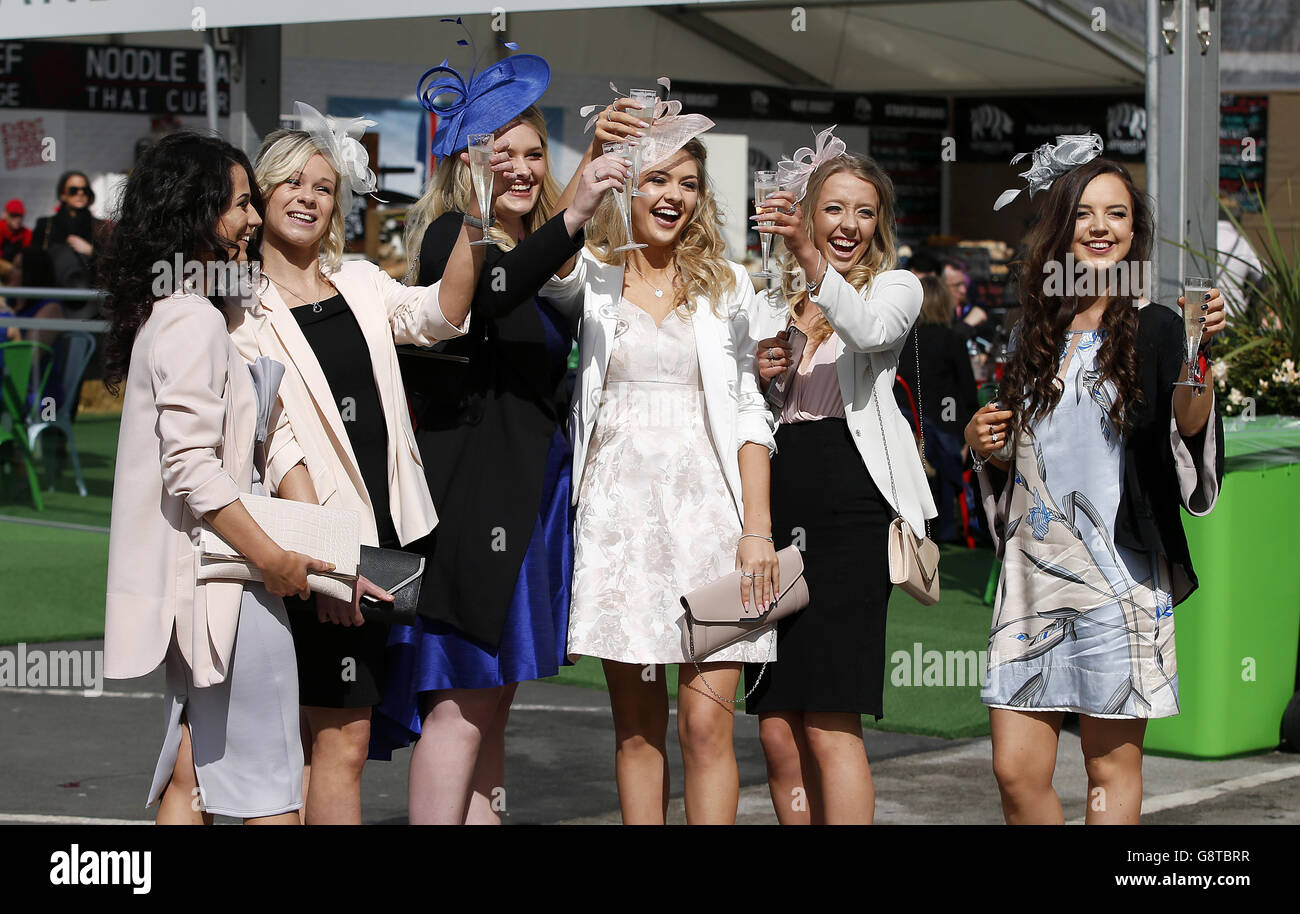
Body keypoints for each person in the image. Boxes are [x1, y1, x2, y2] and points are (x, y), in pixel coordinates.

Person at [371, 51, 630, 824]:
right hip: (472, 508)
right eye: (498, 152)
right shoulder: (457, 234)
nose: (519, 167)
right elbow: (487, 295)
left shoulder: (548, 252)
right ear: (467, 161)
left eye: (530, 152)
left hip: (533, 502)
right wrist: (573, 212)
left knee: (489, 708)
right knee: (459, 704)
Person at [227, 102, 484, 824]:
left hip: (382, 546)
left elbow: (442, 313)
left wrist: (475, 211)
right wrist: (329, 562)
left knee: (339, 740)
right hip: (302, 551)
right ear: (263, 193)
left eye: (324, 186)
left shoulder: (364, 282)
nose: (309, 197)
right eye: (292, 184)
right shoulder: (240, 311)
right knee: (329, 740)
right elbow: (278, 446)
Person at [967, 146, 1225, 825]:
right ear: (1062, 228)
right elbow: (1019, 459)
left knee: (1109, 772)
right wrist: (980, 445)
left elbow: (1186, 431)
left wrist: (1199, 360)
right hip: (1033, 575)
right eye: (1084, 213)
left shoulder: (1160, 326)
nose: (1101, 226)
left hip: (1121, 576)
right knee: (1016, 772)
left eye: (1117, 213)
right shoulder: (1030, 334)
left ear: (1134, 231)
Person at [542, 115, 780, 826]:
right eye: (656, 179)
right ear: (628, 188)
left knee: (706, 727)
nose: (673, 194)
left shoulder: (730, 285)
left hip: (712, 520)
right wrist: (593, 154)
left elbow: (750, 410)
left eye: (688, 183)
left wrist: (757, 530)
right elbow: (549, 253)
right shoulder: (590, 274)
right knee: (638, 728)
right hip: (619, 527)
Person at [100, 131, 331, 824]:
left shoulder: (181, 313)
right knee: (270, 793)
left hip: (204, 587)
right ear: (197, 212)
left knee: (191, 776)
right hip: (227, 588)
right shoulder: (193, 320)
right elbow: (193, 468)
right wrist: (276, 559)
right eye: (240, 204)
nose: (255, 218)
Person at [746, 135, 936, 825]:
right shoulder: (773, 301)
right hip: (778, 498)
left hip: (852, 509)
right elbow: (755, 414)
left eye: (864, 211)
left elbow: (871, 332)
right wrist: (763, 377)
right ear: (808, 211)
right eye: (833, 209)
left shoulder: (895, 287)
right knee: (775, 724)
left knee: (830, 719)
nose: (849, 224)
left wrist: (808, 257)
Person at [897, 275, 979, 543]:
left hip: (905, 428)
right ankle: (950, 527)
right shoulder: (951, 339)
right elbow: (968, 394)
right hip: (943, 433)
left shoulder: (901, 340)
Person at [29, 172, 107, 315]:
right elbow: (33, 263)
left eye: (85, 190)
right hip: (51, 298)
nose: (80, 193)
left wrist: (91, 252)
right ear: (63, 195)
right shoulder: (46, 225)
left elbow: (113, 264)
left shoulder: (101, 227)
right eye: (73, 190)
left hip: (89, 302)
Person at [0, 199, 32, 282]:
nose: (18, 219)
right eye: (13, 215)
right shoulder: (1, 228)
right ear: (5, 214)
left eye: (20, 216)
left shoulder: (26, 233)